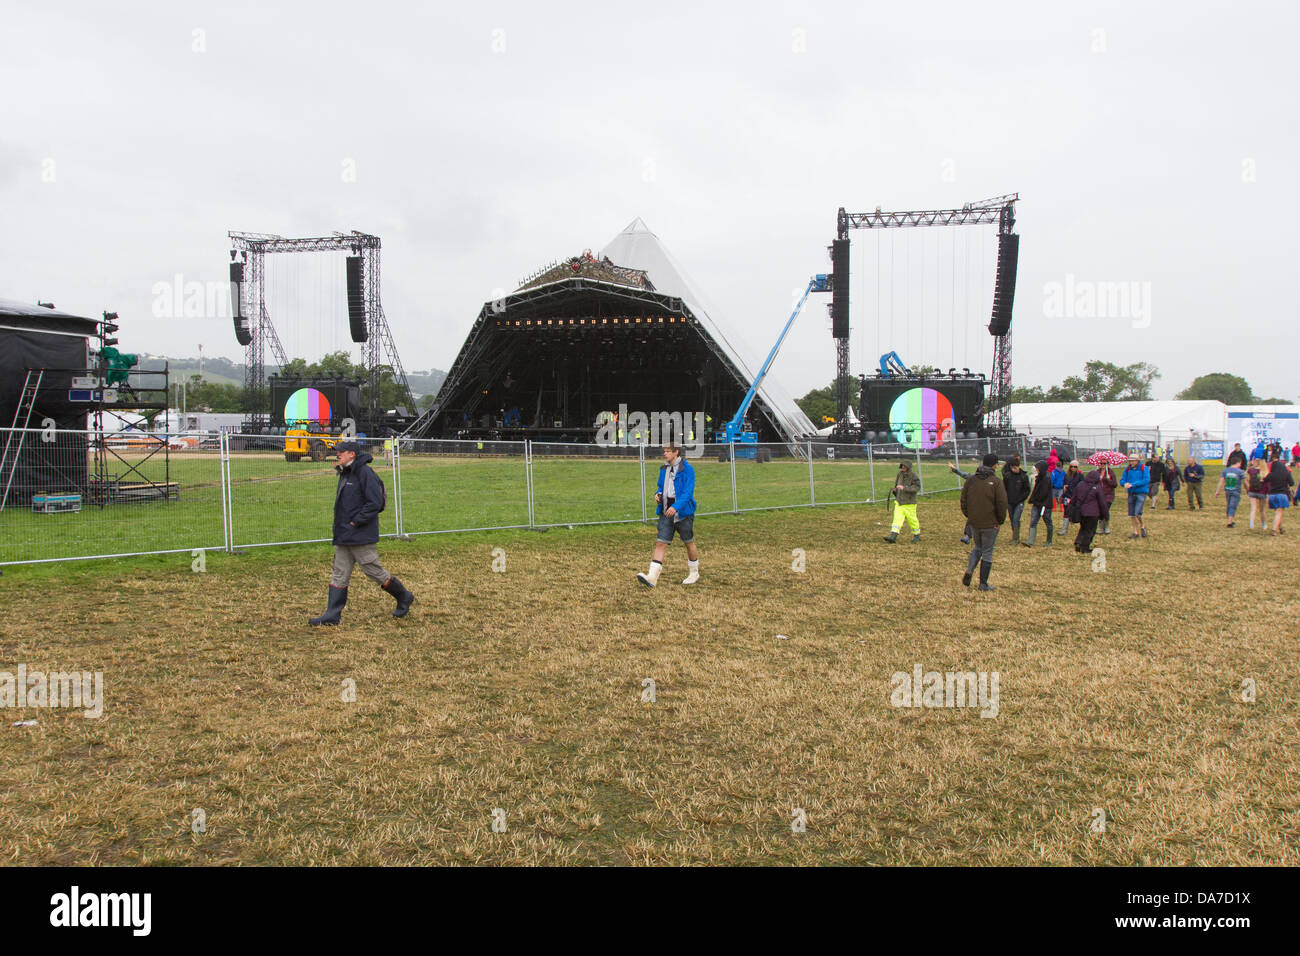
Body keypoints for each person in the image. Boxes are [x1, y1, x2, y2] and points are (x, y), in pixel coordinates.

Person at [309, 441, 414, 626]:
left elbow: (375, 503)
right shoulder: (346, 473)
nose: (337, 454)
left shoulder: (364, 473)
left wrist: (355, 522)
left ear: (352, 454)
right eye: (337, 452)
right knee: (339, 574)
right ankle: (332, 615)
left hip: (360, 535)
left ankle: (404, 596)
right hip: (344, 535)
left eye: (341, 451)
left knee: (373, 571)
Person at [637, 442, 699, 586]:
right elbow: (661, 486)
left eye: (668, 451)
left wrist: (676, 507)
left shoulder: (687, 469)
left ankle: (694, 573)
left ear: (676, 452)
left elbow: (687, 493)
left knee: (688, 542)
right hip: (666, 511)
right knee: (661, 543)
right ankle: (652, 577)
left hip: (683, 513)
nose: (665, 454)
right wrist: (657, 494)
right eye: (664, 451)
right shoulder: (664, 468)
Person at [960, 453, 1008, 592]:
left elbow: (963, 500)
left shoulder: (971, 480)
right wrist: (1000, 519)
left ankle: (970, 570)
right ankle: (983, 583)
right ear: (995, 465)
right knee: (987, 551)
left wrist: (969, 515)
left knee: (977, 547)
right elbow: (1001, 503)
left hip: (974, 521)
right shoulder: (996, 482)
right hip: (990, 523)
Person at [1073, 467, 1110, 554]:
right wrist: (1106, 515)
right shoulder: (1097, 487)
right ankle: (1085, 547)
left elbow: (1074, 497)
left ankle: (1078, 542)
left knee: (1083, 528)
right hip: (1093, 513)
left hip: (1081, 511)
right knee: (1090, 530)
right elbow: (1102, 502)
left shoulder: (1080, 484)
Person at [884, 460, 922, 543]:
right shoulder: (899, 474)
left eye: (904, 466)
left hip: (910, 503)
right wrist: (895, 490)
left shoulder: (913, 475)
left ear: (908, 467)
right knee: (897, 520)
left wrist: (905, 488)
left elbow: (917, 487)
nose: (903, 467)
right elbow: (897, 484)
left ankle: (917, 535)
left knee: (912, 520)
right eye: (902, 466)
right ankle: (893, 537)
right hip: (899, 502)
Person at [1024, 460, 1055, 547]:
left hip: (1045, 505)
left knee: (1048, 522)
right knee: (1033, 521)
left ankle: (1049, 541)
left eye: (1037, 468)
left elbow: (1043, 493)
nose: (1036, 469)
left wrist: (1035, 500)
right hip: (1037, 504)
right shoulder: (1039, 477)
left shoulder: (1046, 479)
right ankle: (1030, 542)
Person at [1002, 455, 1030, 544]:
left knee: (1016, 519)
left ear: (1019, 466)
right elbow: (1004, 488)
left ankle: (1015, 538)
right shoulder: (1007, 476)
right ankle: (1015, 534)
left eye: (1015, 467)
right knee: (1012, 518)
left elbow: (1027, 490)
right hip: (1009, 502)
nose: (1014, 469)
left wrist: (1021, 499)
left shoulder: (1024, 476)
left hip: (1019, 502)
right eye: (1012, 467)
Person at [1120, 454, 1150, 539]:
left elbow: (1146, 480)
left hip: (1141, 493)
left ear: (1137, 461)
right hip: (1131, 493)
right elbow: (1122, 480)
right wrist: (1124, 484)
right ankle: (1135, 532)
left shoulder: (1144, 468)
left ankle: (1142, 525)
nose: (1131, 462)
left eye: (1133, 461)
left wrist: (1133, 484)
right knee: (1132, 514)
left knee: (1137, 512)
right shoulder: (1128, 469)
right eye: (1130, 461)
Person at [1265, 455, 1294, 535]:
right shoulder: (1286, 473)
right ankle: (1274, 530)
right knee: (1279, 512)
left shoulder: (1271, 474)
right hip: (1282, 495)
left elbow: (1264, 480)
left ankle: (1280, 528)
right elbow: (1292, 483)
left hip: (1272, 495)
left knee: (1277, 512)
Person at [1213, 460, 1246, 528]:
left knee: (1229, 505)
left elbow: (1221, 482)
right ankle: (1229, 522)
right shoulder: (1240, 471)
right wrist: (1248, 489)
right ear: (1238, 463)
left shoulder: (1225, 471)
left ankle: (1230, 519)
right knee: (1232, 506)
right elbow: (1245, 482)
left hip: (1227, 490)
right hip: (1236, 490)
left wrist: (1217, 491)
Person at [949, 463, 974, 543]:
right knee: (971, 517)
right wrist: (954, 469)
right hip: (976, 501)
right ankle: (967, 536)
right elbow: (965, 475)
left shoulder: (993, 480)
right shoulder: (974, 477)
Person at [1059, 460, 1084, 535]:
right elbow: (1064, 484)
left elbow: (1082, 486)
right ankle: (1064, 530)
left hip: (1076, 497)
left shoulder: (1080, 476)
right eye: (1071, 466)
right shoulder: (1067, 475)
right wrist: (1064, 488)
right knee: (1066, 512)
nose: (1073, 468)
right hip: (1067, 496)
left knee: (1078, 513)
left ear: (1078, 467)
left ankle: (1082, 530)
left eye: (1075, 467)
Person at [1245, 459, 1267, 530]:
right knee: (1262, 510)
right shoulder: (1264, 471)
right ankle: (1263, 524)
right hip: (1262, 492)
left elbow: (1247, 479)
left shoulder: (1251, 470)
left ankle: (1251, 524)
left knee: (1253, 509)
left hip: (1252, 491)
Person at [1098, 463, 1117, 534]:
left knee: (1105, 510)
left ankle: (1106, 527)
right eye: (1101, 463)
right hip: (1099, 494)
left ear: (1108, 464)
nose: (1102, 465)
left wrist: (1109, 479)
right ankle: (1100, 528)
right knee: (1100, 510)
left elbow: (1115, 484)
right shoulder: (1097, 472)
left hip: (1108, 495)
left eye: (1104, 463)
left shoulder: (1111, 472)